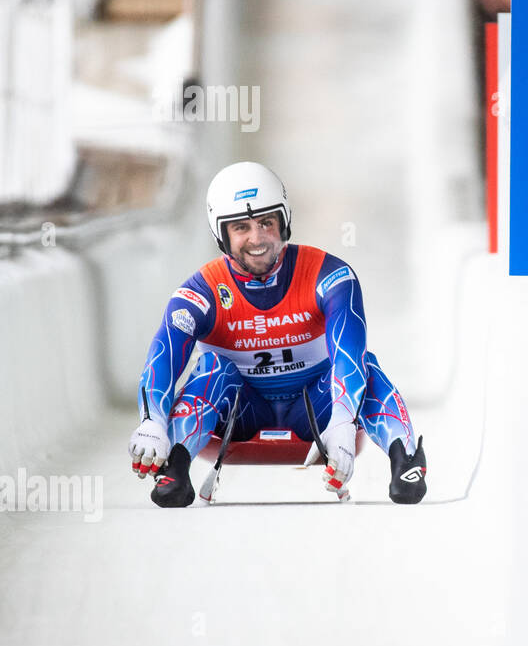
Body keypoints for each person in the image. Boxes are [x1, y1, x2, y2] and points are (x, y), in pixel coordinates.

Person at [126, 162, 428, 507]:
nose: (257, 239)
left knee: (367, 365)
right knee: (213, 367)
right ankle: (175, 467)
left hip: (317, 409)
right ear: (221, 234)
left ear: (283, 222)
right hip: (240, 411)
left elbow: (349, 350)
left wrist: (343, 421)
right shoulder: (199, 292)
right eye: (241, 227)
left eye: (266, 223)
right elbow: (164, 353)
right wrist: (152, 422)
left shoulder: (330, 276)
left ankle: (405, 461)